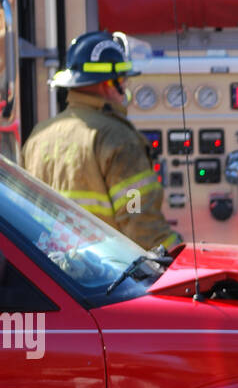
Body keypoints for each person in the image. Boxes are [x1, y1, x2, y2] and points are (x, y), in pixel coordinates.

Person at [22, 30, 181, 251]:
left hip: (52, 276)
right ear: (109, 83)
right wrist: (180, 256)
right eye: (123, 79)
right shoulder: (118, 138)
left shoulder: (39, 137)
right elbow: (138, 216)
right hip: (106, 276)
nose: (125, 87)